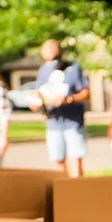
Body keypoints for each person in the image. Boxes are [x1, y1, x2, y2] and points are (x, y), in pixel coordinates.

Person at [33, 39, 90, 177]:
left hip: (73, 122)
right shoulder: (43, 71)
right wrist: (37, 103)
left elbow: (85, 93)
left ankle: (79, 192)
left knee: (76, 161)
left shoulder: (73, 68)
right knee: (58, 162)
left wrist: (69, 99)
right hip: (53, 123)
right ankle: (62, 193)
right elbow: (38, 93)